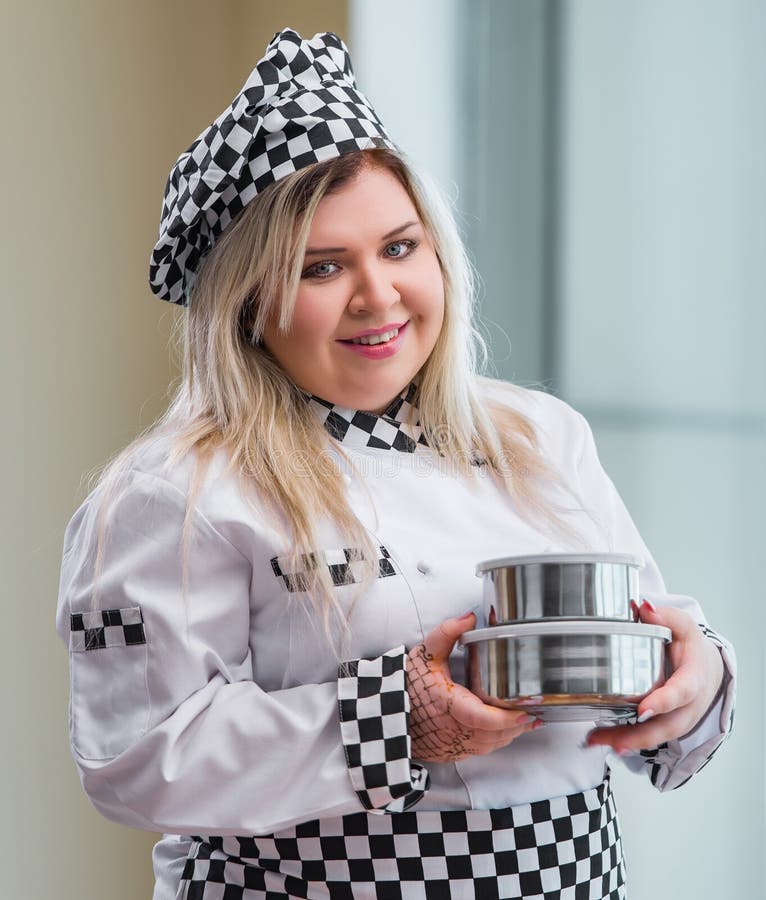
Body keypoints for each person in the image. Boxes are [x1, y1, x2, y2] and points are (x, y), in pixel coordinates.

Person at [56, 28, 735, 900]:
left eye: (400, 247)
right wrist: (399, 719)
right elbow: (137, 760)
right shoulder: (172, 495)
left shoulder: (542, 435)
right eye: (322, 267)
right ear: (247, 305)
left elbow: (650, 641)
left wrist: (695, 678)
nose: (378, 296)